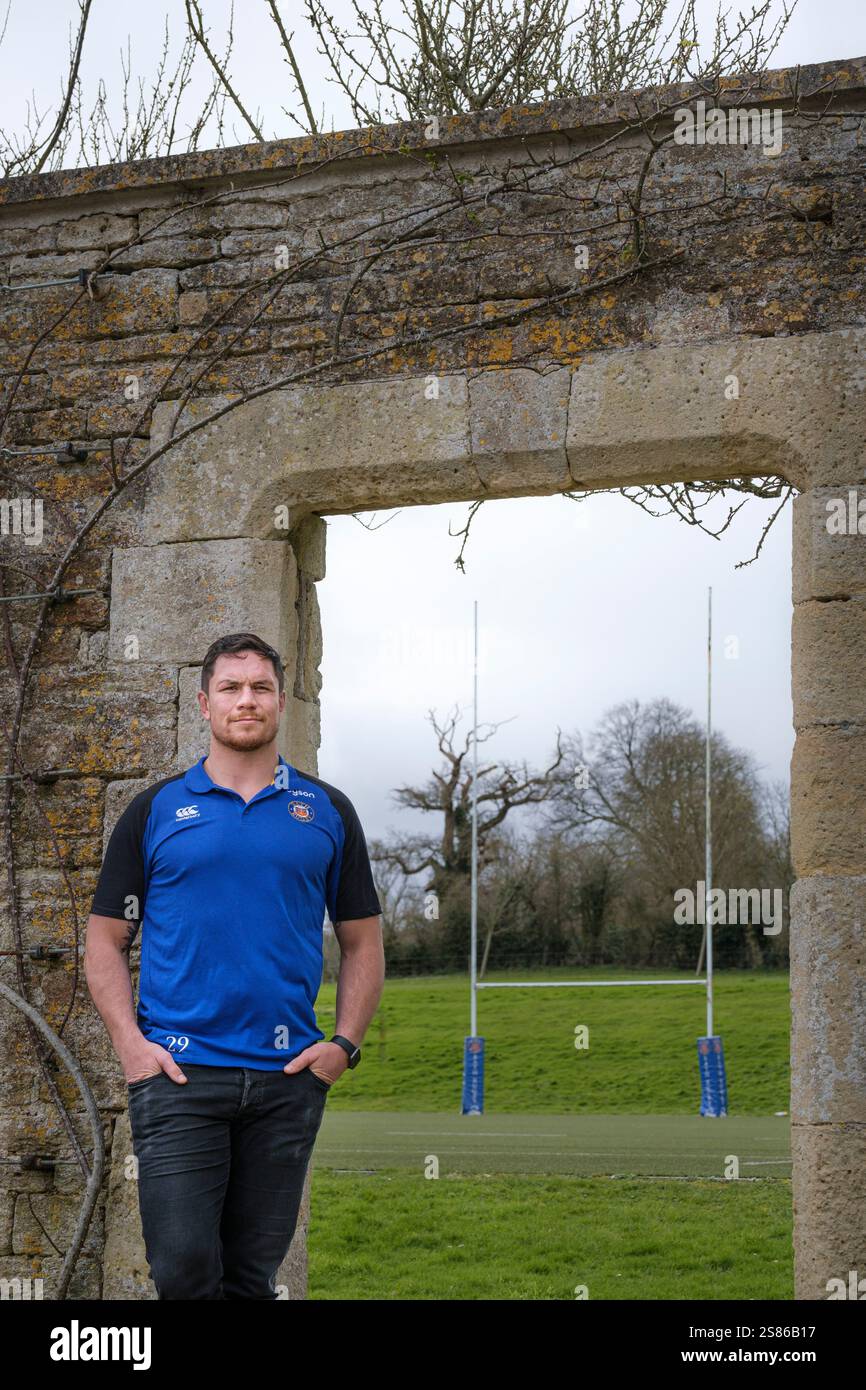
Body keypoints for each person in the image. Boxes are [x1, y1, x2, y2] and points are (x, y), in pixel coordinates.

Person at [85, 631, 384, 1299]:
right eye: (231, 687)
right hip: (178, 1076)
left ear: (280, 701)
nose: (245, 700)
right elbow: (105, 940)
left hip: (286, 1080)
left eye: (260, 688)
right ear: (204, 703)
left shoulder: (328, 811)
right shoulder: (155, 810)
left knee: (252, 1280)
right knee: (185, 1272)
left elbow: (362, 943)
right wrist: (131, 1048)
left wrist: (342, 1048)